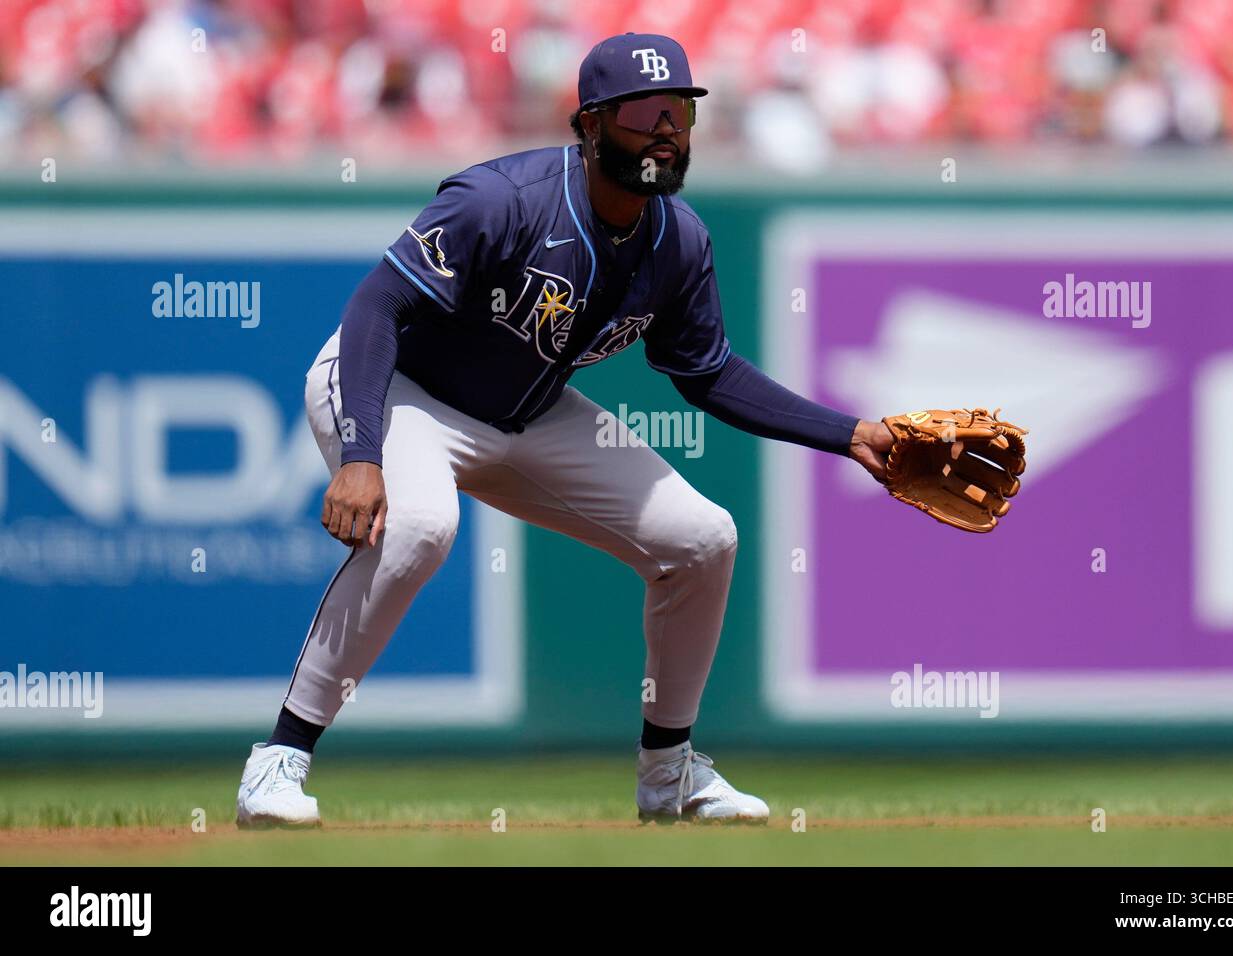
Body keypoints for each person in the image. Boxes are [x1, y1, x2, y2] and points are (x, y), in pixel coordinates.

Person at [236, 32, 895, 828]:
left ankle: (670, 777)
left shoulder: (678, 241)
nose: (664, 131)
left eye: (679, 111)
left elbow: (708, 372)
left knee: (703, 539)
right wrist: (363, 454)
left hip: (527, 412)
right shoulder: (502, 200)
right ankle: (278, 764)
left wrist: (851, 433)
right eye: (642, 112)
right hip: (396, 386)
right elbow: (379, 307)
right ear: (588, 127)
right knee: (419, 528)